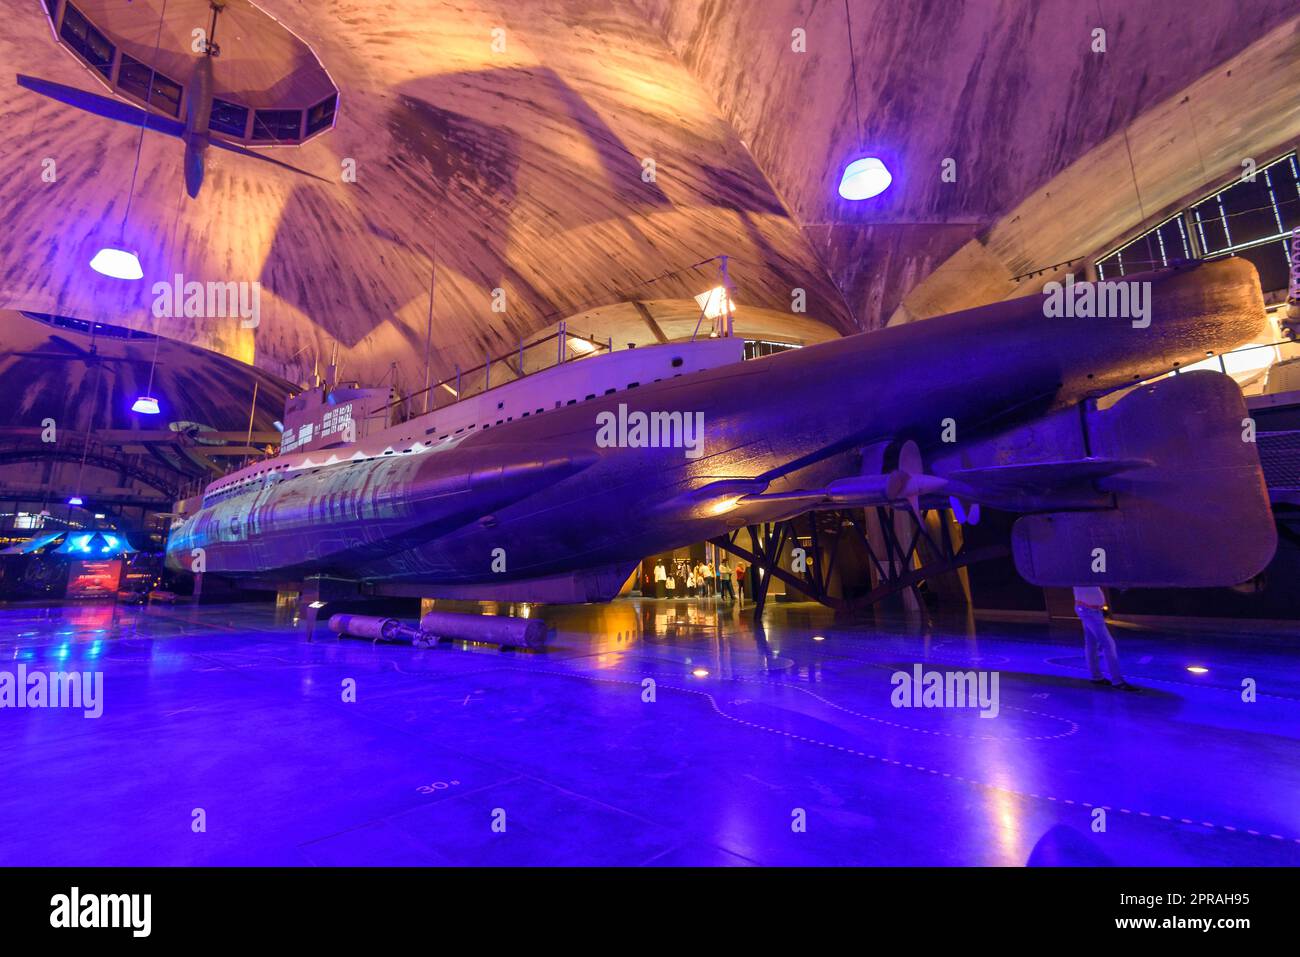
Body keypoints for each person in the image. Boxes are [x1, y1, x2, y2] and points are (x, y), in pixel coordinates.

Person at [1073, 586, 1132, 689]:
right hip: (1089, 610)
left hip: (1090, 610)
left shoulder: (1086, 574)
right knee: (1108, 644)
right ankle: (1117, 681)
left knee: (1091, 644)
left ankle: (1096, 676)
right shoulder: (1079, 574)